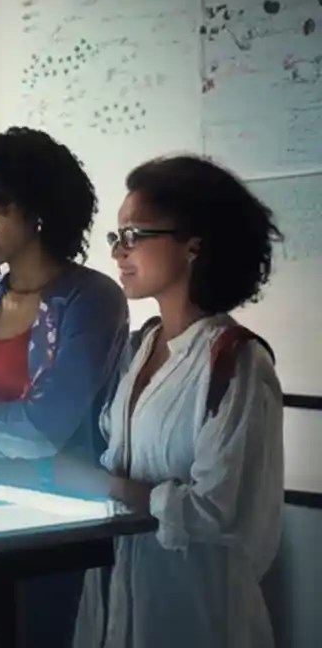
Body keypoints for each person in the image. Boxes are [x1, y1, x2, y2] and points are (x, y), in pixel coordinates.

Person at [0, 125, 129, 648]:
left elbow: (44, 431)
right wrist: (5, 433)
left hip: (56, 517)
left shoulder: (92, 299)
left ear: (38, 203)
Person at [74, 156, 284, 648]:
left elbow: (217, 511)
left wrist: (106, 486)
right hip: (118, 600)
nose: (118, 251)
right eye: (116, 236)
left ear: (193, 245)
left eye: (134, 235)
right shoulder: (141, 346)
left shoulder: (237, 362)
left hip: (199, 612)